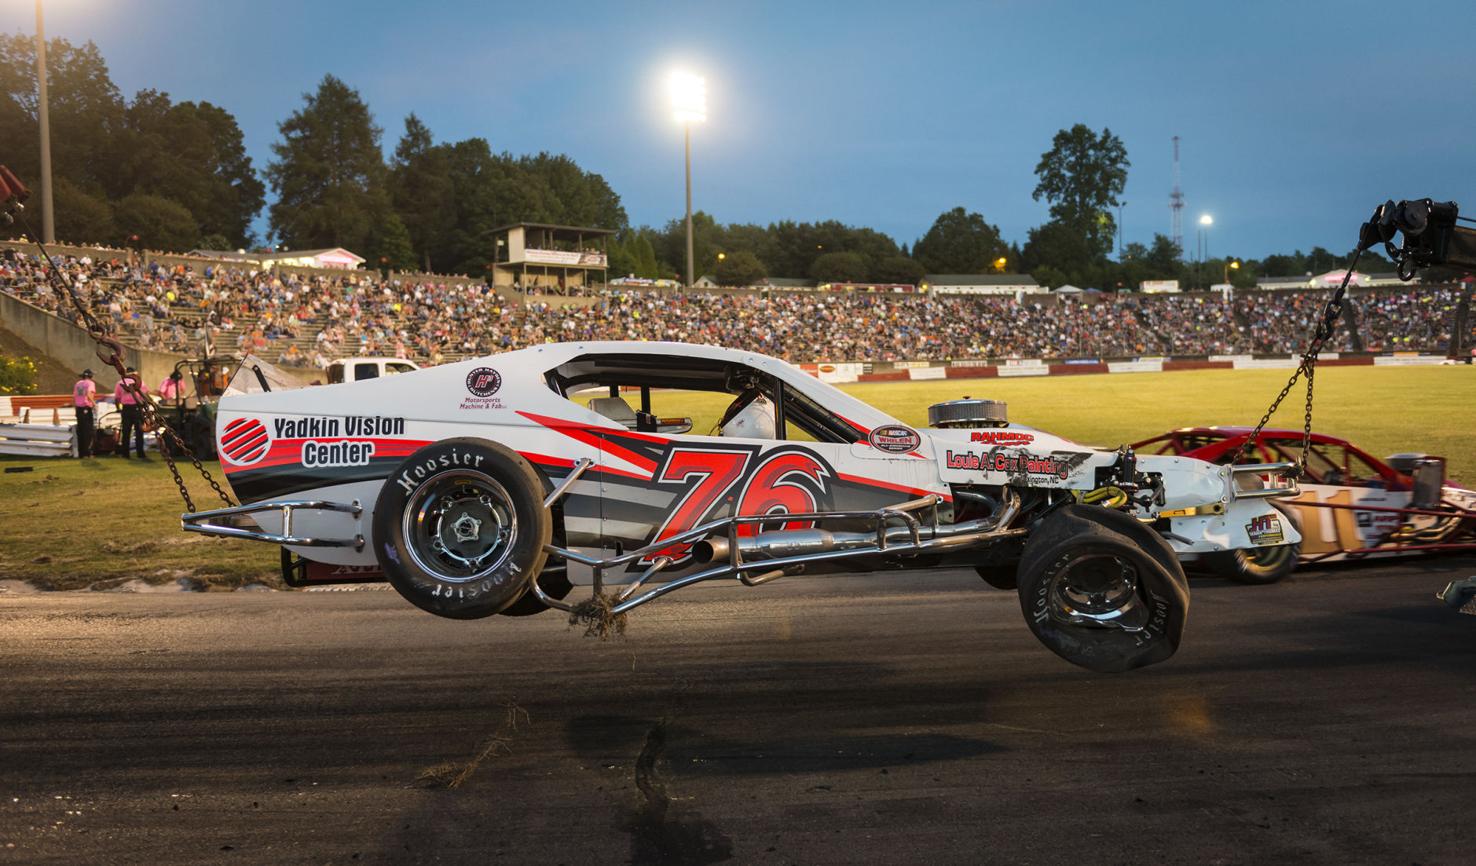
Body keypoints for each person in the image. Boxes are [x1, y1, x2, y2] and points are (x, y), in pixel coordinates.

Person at [113, 367, 149, 460]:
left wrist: (118, 409)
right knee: (139, 432)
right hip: (137, 408)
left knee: (126, 432)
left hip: (126, 409)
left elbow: (117, 398)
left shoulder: (120, 383)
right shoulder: (140, 382)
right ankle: (140, 453)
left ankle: (125, 453)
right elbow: (145, 396)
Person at [72, 369, 97, 458]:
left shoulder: (78, 384)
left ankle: (81, 452)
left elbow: (74, 397)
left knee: (81, 431)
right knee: (88, 431)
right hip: (86, 408)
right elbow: (89, 394)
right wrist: (94, 404)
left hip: (79, 408)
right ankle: (88, 452)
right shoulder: (90, 383)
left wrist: (75, 410)